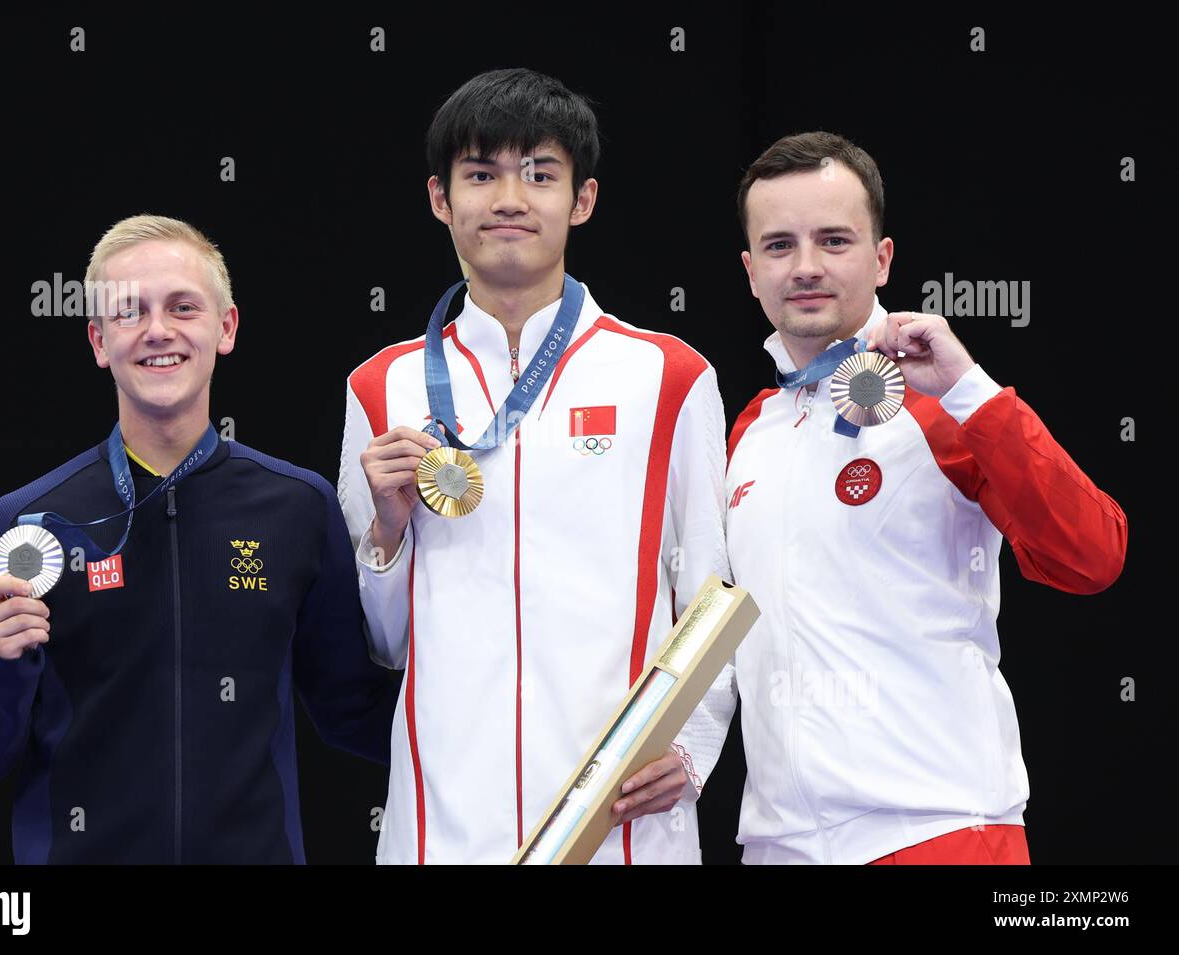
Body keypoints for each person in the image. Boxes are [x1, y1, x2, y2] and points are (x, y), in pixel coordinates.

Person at [338, 68, 732, 863]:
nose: (510, 198)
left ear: (582, 200)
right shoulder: (382, 386)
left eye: (540, 174)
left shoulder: (670, 376)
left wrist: (689, 750)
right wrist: (386, 530)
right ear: (440, 199)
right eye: (480, 174)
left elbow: (713, 596)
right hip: (441, 827)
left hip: (621, 825)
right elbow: (383, 642)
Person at [715, 131, 1128, 864]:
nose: (805, 266)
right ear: (750, 272)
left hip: (936, 829)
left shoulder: (947, 398)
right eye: (779, 245)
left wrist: (973, 392)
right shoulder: (752, 427)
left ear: (882, 259)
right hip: (778, 842)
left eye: (834, 240)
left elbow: (1092, 555)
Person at [0, 214, 398, 863]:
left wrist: (516, 730)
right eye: (130, 312)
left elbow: (359, 712)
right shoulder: (21, 526)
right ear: (98, 339)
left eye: (183, 307)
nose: (158, 330)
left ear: (225, 327)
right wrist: (1, 665)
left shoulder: (298, 506)